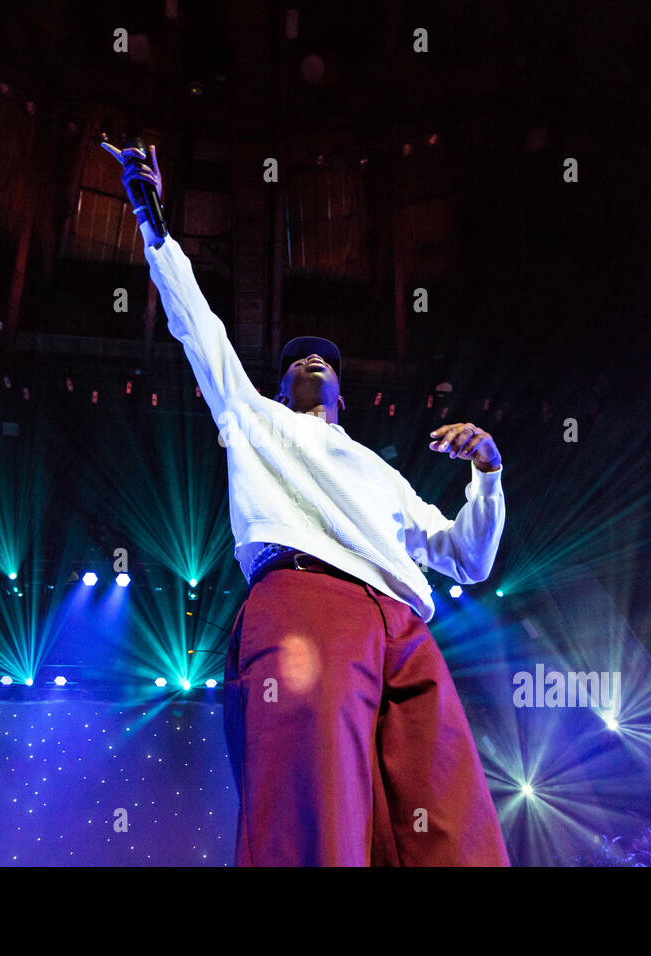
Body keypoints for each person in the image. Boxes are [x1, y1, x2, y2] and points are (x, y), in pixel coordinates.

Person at [102, 139, 511, 866]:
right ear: (281, 385)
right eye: (296, 360)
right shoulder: (253, 418)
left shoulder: (382, 476)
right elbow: (197, 325)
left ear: (344, 394)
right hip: (308, 599)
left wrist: (487, 474)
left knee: (448, 826)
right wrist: (151, 217)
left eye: (323, 359)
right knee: (317, 815)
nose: (310, 361)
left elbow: (467, 560)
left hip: (405, 622)